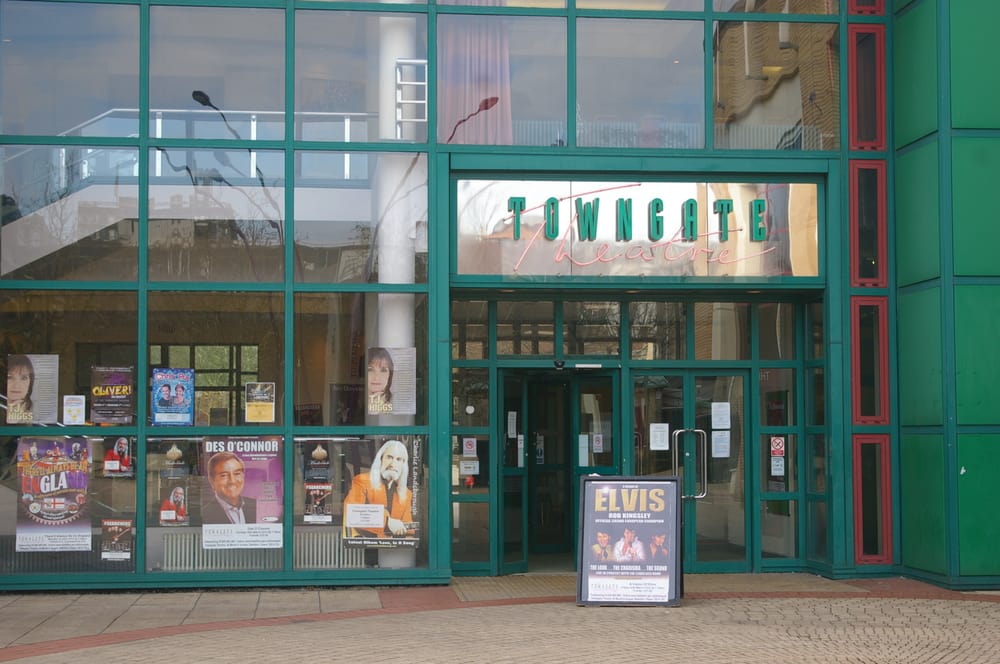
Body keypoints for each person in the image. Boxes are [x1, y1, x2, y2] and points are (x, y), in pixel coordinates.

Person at [343, 439, 413, 538]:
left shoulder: (406, 494)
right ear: (380, 459)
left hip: (393, 546)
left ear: (403, 465)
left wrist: (405, 533)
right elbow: (352, 513)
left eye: (398, 459)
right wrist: (387, 521)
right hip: (366, 543)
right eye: (389, 457)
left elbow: (409, 530)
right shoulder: (361, 481)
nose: (393, 464)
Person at [201, 451, 256, 524]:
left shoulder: (256, 506)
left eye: (237, 474)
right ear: (212, 481)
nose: (232, 481)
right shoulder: (204, 514)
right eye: (224, 475)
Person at [6, 354, 34, 423]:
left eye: (23, 378)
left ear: (30, 383)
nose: (16, 386)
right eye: (10, 377)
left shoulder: (35, 412)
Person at [366, 347, 394, 414]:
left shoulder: (397, 405)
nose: (377, 377)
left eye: (383, 370)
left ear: (389, 375)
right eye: (370, 370)